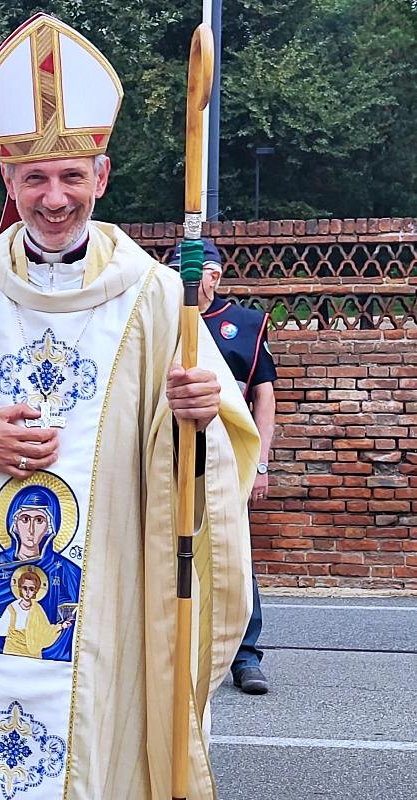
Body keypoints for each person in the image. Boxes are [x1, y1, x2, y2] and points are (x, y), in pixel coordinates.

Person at [0, 14, 260, 800]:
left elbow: (211, 455)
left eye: (71, 177)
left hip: (102, 586)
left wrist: (199, 413)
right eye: (34, 180)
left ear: (101, 178)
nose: (53, 198)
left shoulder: (154, 297)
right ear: (9, 183)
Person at [169, 238, 277, 694]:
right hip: (170, 453)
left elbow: (263, 395)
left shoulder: (244, 324)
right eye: (181, 271)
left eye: (200, 271)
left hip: (229, 456)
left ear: (217, 274)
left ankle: (245, 655)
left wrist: (262, 464)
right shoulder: (163, 322)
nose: (191, 279)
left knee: (233, 551)